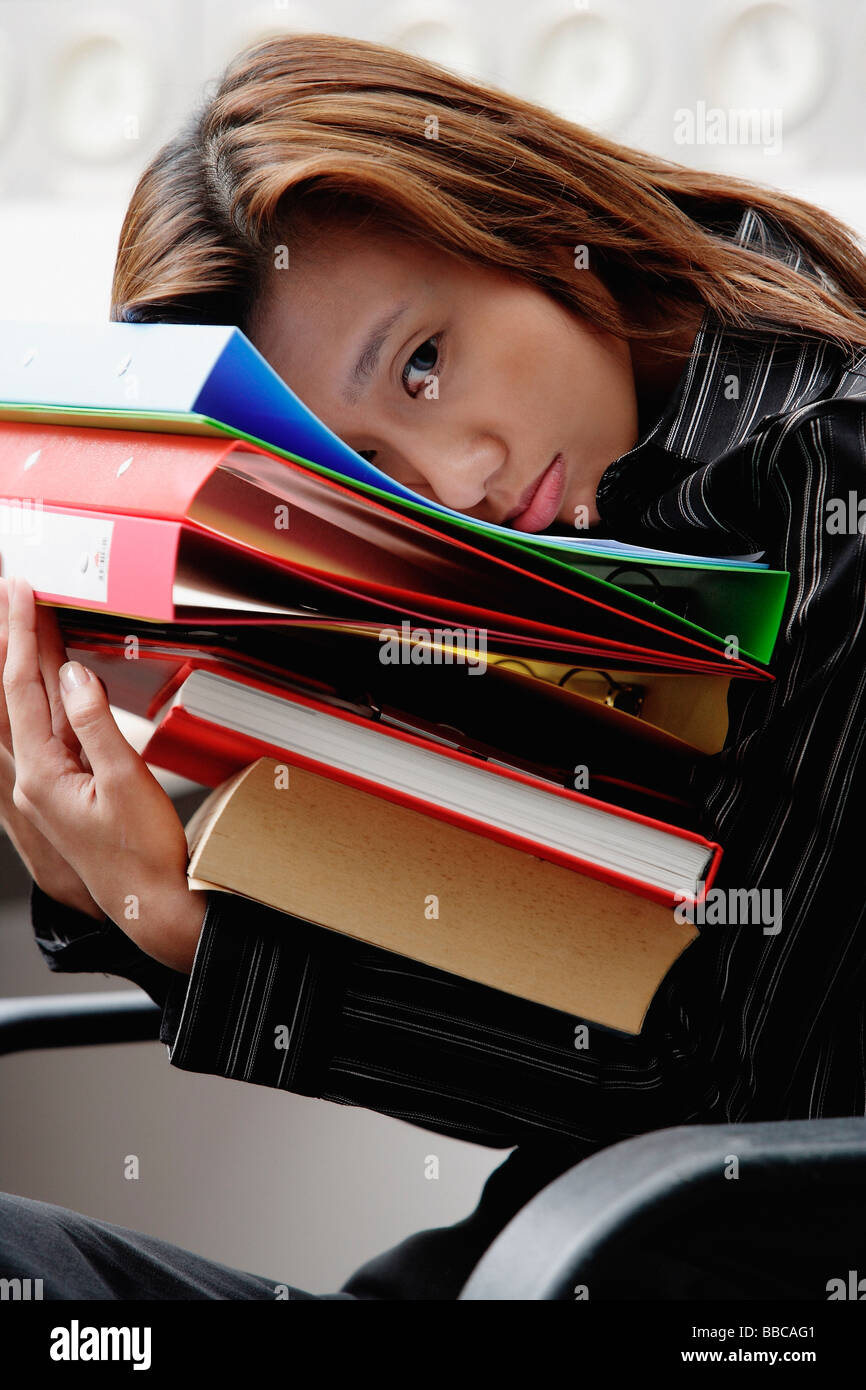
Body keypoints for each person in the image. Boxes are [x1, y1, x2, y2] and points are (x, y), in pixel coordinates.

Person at [2, 30, 866, 1300]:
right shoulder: (555, 565)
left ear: (525, 213)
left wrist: (195, 935)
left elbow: (734, 1111)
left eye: (421, 361)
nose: (461, 483)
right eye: (370, 487)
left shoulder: (829, 474)